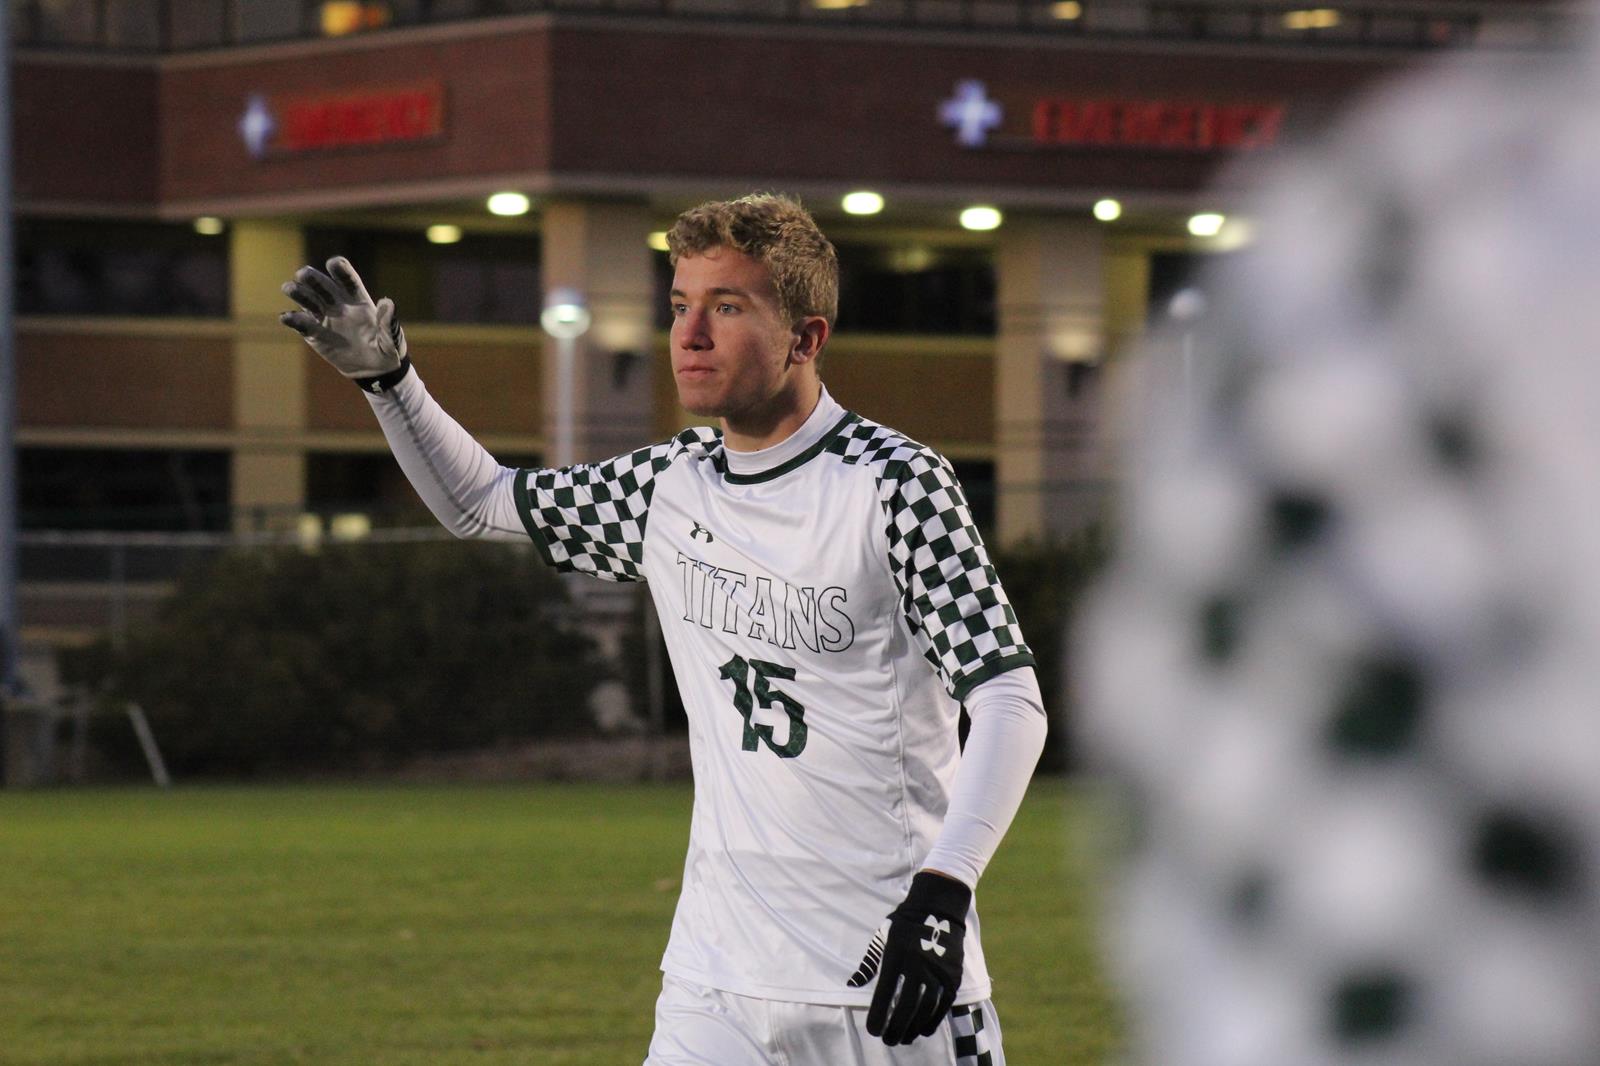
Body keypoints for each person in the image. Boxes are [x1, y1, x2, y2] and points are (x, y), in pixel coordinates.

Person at [280, 193, 1048, 1066]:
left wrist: (945, 889)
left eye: (728, 307)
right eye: (680, 305)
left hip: (889, 979)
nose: (690, 335)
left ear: (806, 337)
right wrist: (390, 383)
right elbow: (482, 502)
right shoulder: (667, 486)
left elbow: (1009, 701)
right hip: (714, 984)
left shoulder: (896, 484)